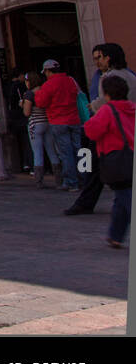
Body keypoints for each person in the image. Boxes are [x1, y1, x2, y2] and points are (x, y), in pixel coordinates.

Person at [69, 43, 136, 215]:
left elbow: (104, 102)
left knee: (92, 167)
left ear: (109, 57)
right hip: (127, 128)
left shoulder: (108, 77)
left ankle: (85, 202)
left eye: (99, 57)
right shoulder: (130, 75)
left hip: (108, 130)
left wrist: (93, 107)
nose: (97, 62)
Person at [82, 74, 133, 249]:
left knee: (126, 195)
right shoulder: (132, 107)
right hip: (131, 156)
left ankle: (115, 235)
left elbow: (92, 131)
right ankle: (115, 235)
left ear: (107, 94)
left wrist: (94, 114)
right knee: (121, 199)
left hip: (117, 160)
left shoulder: (107, 110)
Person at [35, 60, 82, 190]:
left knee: (66, 153)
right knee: (78, 150)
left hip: (58, 121)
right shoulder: (70, 80)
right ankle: (83, 179)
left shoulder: (48, 85)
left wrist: (37, 93)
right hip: (74, 119)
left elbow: (41, 103)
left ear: (47, 71)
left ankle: (71, 182)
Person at [21, 71, 58, 188]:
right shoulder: (44, 91)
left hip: (35, 124)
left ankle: (39, 181)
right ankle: (59, 178)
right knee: (52, 152)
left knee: (38, 152)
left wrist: (22, 105)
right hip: (47, 122)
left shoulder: (29, 94)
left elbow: (27, 112)